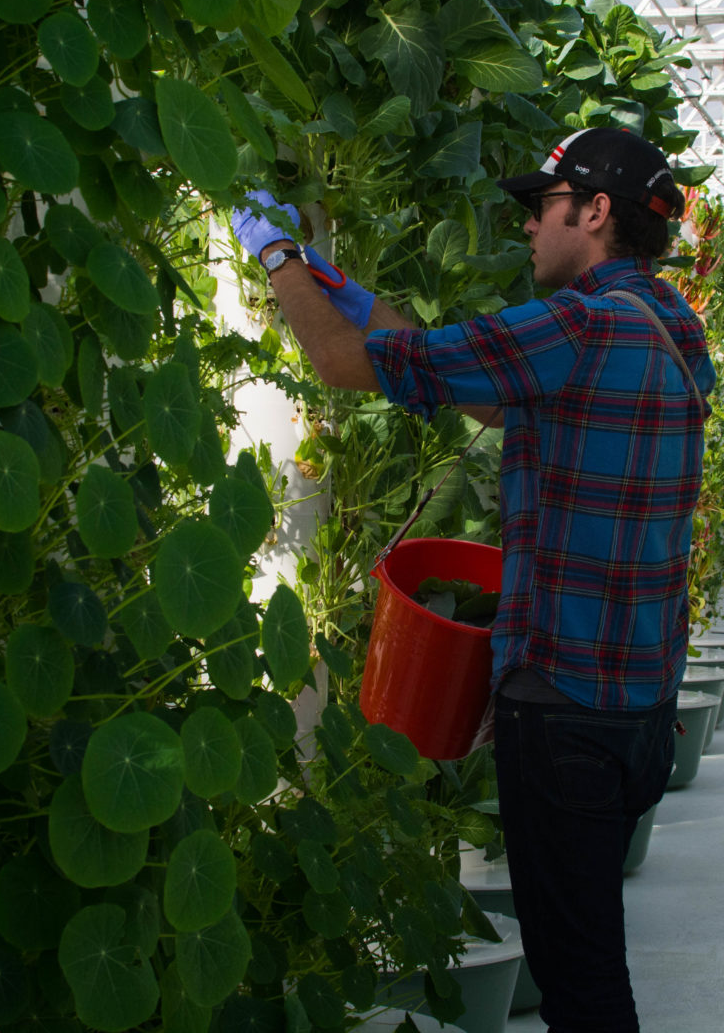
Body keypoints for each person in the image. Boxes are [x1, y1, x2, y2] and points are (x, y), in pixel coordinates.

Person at [231, 127, 717, 1033]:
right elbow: (483, 383)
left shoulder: (577, 322)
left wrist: (278, 255)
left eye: (543, 207)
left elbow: (340, 366)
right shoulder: (672, 328)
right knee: (589, 954)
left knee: (582, 986)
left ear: (596, 211)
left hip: (564, 716)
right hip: (636, 715)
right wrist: (358, 297)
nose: (530, 227)